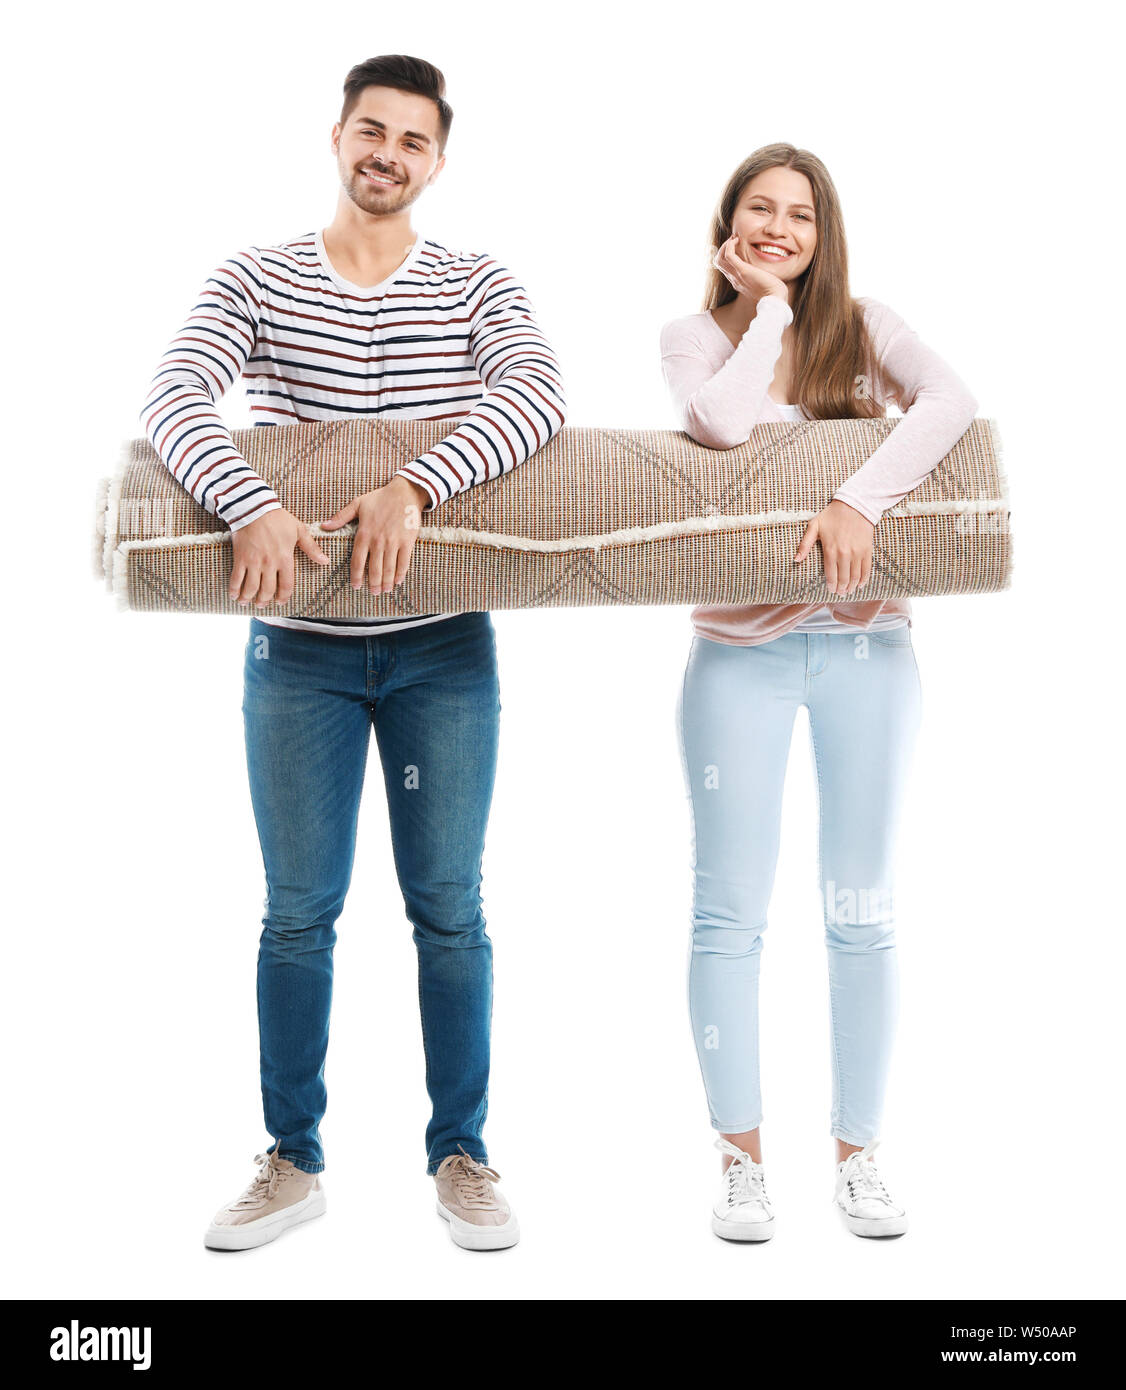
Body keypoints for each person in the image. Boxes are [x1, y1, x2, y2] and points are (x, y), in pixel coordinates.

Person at [140, 54, 566, 1252]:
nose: (387, 152)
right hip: (300, 659)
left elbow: (536, 395)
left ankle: (462, 1156)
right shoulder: (257, 279)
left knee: (449, 910)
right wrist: (243, 500)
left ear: (437, 159)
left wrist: (417, 483)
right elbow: (175, 394)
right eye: (369, 130)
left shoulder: (477, 281)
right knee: (295, 913)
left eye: (412, 140)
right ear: (337, 137)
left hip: (441, 653)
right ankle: (291, 1160)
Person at [660, 144, 977, 1241]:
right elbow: (722, 430)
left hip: (867, 652)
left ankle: (858, 1158)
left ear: (822, 231)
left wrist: (856, 499)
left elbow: (952, 402)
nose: (780, 227)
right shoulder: (696, 338)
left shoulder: (870, 326)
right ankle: (742, 1163)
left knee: (860, 911)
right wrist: (762, 317)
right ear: (729, 224)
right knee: (727, 914)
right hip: (736, 660)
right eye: (760, 209)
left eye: (800, 214)